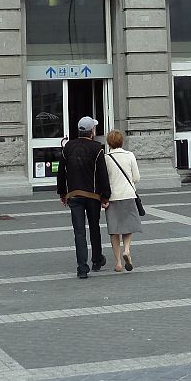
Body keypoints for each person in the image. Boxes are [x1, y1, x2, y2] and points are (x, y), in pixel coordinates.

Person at [58, 115, 110, 279]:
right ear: (92, 131)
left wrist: (62, 193)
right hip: (93, 195)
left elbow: (61, 172)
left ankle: (82, 268)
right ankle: (97, 260)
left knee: (79, 231)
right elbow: (102, 174)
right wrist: (105, 196)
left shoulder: (68, 147)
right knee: (94, 227)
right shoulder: (97, 148)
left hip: (74, 194)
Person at [103, 129, 141, 272]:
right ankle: (126, 250)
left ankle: (118, 262)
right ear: (122, 141)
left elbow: (104, 179)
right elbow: (136, 177)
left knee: (114, 231)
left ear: (109, 143)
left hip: (112, 197)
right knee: (127, 226)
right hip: (128, 194)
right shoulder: (129, 155)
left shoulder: (106, 158)